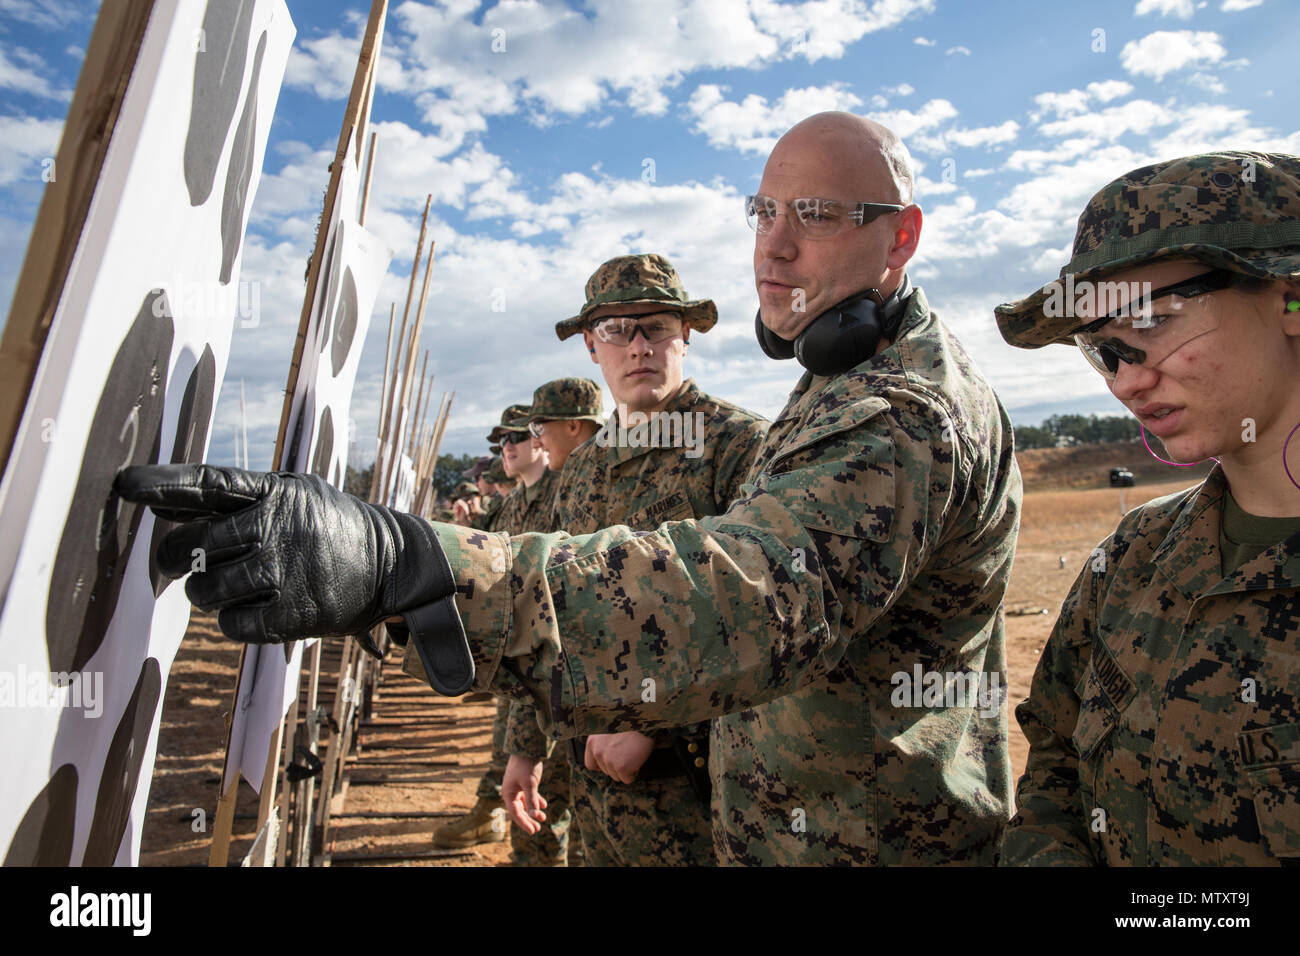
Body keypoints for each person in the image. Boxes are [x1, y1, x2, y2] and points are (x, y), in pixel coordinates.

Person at [116, 111, 1022, 865]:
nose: (774, 246)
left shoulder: (901, 412)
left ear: (899, 235)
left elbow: (746, 594)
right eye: (763, 212)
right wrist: (525, 744)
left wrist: (412, 565)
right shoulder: (833, 386)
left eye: (816, 215)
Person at [994, 150, 1300, 866]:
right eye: (1101, 351)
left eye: (1153, 321)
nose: (1128, 380)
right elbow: (1056, 774)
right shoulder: (1133, 555)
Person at [501, 265, 769, 867]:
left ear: (685, 335)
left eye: (657, 327)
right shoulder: (584, 469)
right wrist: (525, 746)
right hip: (594, 791)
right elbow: (548, 610)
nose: (640, 345)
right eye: (619, 330)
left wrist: (654, 720)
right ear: (592, 345)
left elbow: (767, 611)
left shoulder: (738, 447)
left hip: (706, 793)